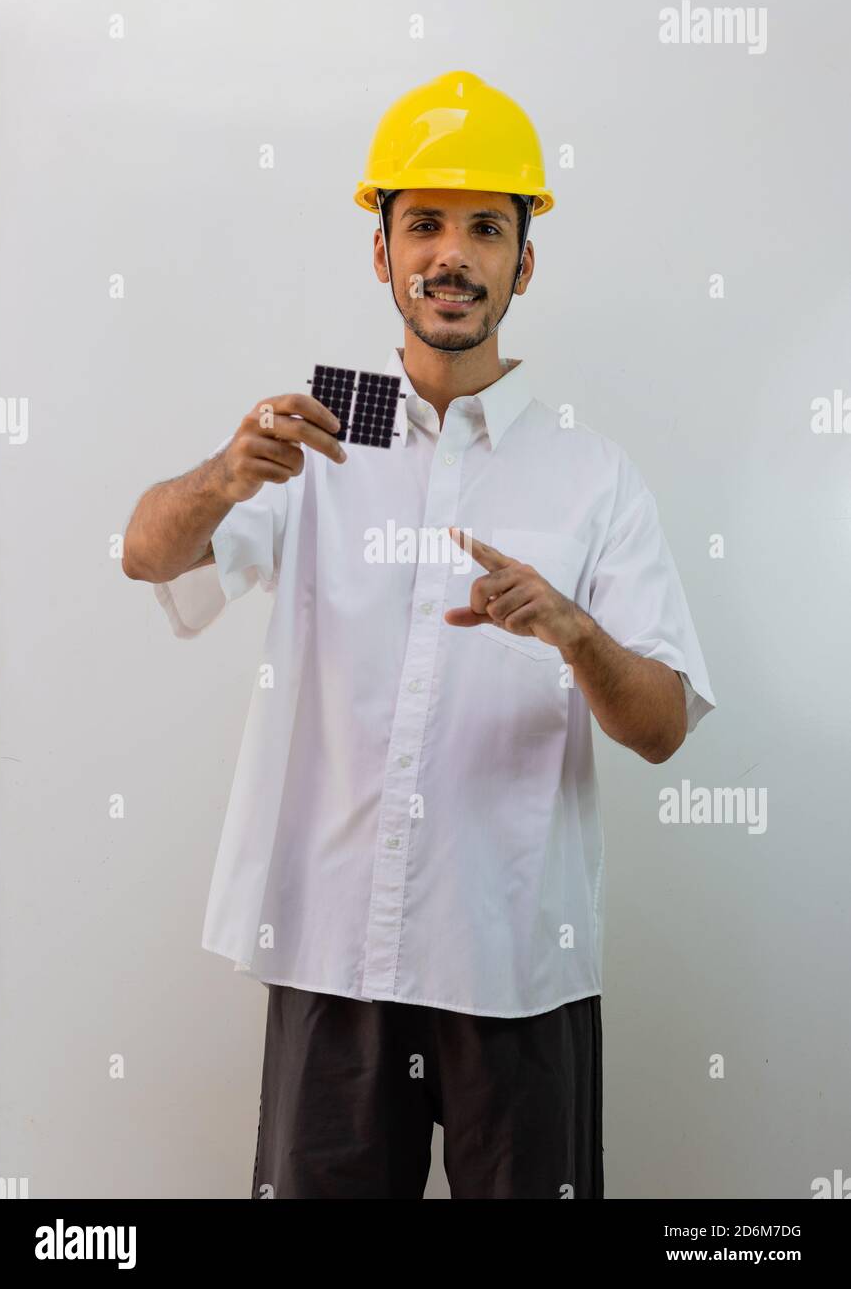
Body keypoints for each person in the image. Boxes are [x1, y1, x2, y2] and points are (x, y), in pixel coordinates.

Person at [122, 69, 716, 1199]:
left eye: (485, 228)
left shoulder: (592, 478)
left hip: (517, 968)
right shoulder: (306, 436)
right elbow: (145, 555)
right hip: (329, 957)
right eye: (425, 224)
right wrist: (222, 472)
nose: (452, 254)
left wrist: (571, 631)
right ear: (383, 250)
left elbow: (661, 728)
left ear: (523, 262)